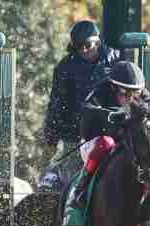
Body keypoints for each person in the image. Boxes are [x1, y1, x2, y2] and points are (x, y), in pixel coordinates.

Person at [62, 60, 150, 220]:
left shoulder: (136, 90)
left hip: (125, 142)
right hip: (96, 142)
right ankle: (81, 187)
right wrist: (109, 114)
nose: (131, 99)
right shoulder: (101, 90)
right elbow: (87, 110)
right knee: (105, 143)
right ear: (113, 88)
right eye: (125, 94)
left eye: (136, 94)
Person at [39, 20, 120, 188]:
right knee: (74, 182)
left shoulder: (117, 60)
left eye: (87, 45)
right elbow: (57, 105)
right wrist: (51, 138)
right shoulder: (65, 67)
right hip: (76, 135)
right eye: (77, 46)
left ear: (97, 41)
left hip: (111, 130)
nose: (83, 50)